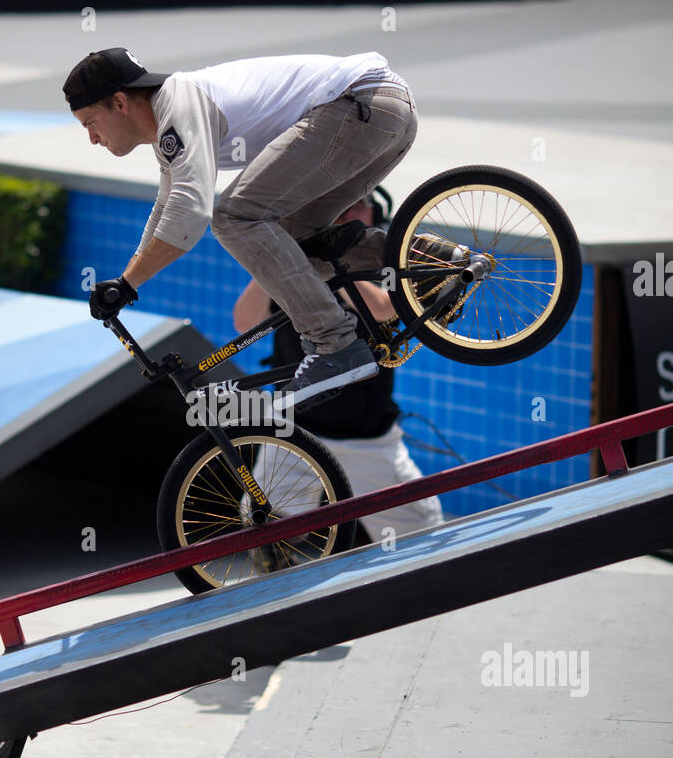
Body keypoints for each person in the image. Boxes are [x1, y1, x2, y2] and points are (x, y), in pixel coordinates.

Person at [63, 46, 421, 411]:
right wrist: (125, 282)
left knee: (233, 217)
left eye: (90, 122)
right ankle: (436, 265)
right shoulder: (171, 121)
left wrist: (128, 285)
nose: (92, 138)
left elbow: (190, 212)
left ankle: (335, 344)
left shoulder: (179, 104)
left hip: (361, 103)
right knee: (298, 237)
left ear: (120, 103)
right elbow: (166, 206)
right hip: (385, 112)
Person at [233, 190, 444, 544]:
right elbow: (244, 322)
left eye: (356, 205)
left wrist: (333, 259)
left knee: (421, 533)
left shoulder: (385, 263)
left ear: (376, 213)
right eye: (336, 207)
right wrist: (278, 252)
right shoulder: (296, 268)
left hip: (366, 435)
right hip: (297, 430)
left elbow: (381, 309)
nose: (344, 213)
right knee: (262, 528)